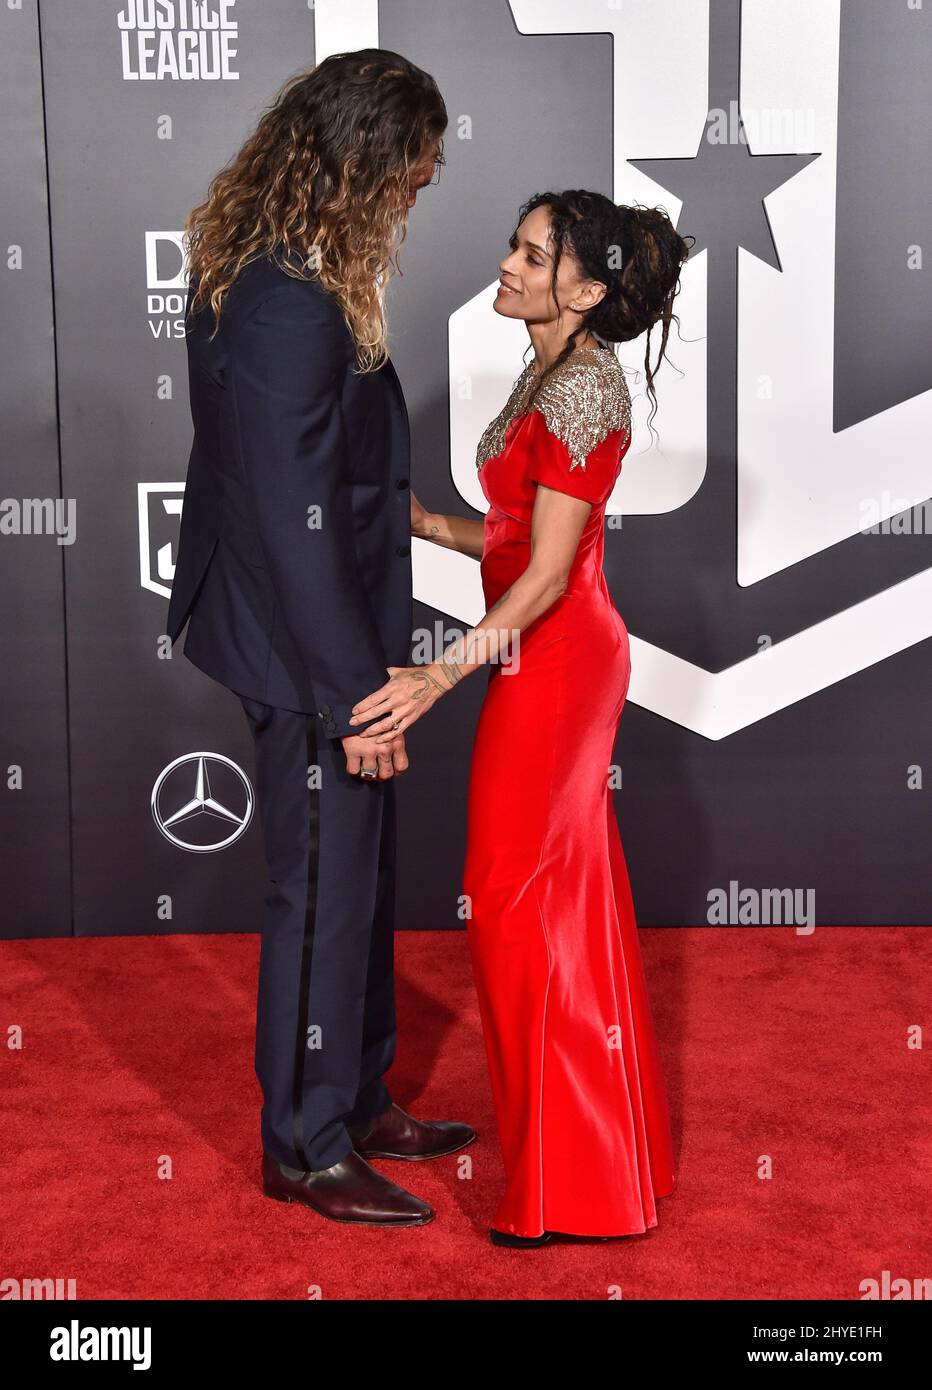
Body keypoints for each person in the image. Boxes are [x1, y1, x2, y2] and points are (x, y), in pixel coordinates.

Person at [166, 50, 475, 1229]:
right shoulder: (287, 297)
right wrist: (357, 696)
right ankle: (302, 1141)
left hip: (330, 631)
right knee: (319, 889)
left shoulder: (281, 265)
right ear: (361, 158)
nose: (418, 188)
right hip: (309, 654)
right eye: (411, 169)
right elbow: (292, 523)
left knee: (361, 878)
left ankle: (355, 1094)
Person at [348, 190, 693, 1245]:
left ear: (584, 290)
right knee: (547, 908)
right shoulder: (547, 369)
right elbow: (510, 537)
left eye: (530, 255)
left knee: (510, 905)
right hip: (540, 652)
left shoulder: (587, 389)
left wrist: (431, 680)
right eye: (513, 244)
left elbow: (545, 578)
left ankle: (562, 1178)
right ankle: (585, 1164)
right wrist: (418, 523)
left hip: (557, 663)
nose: (504, 264)